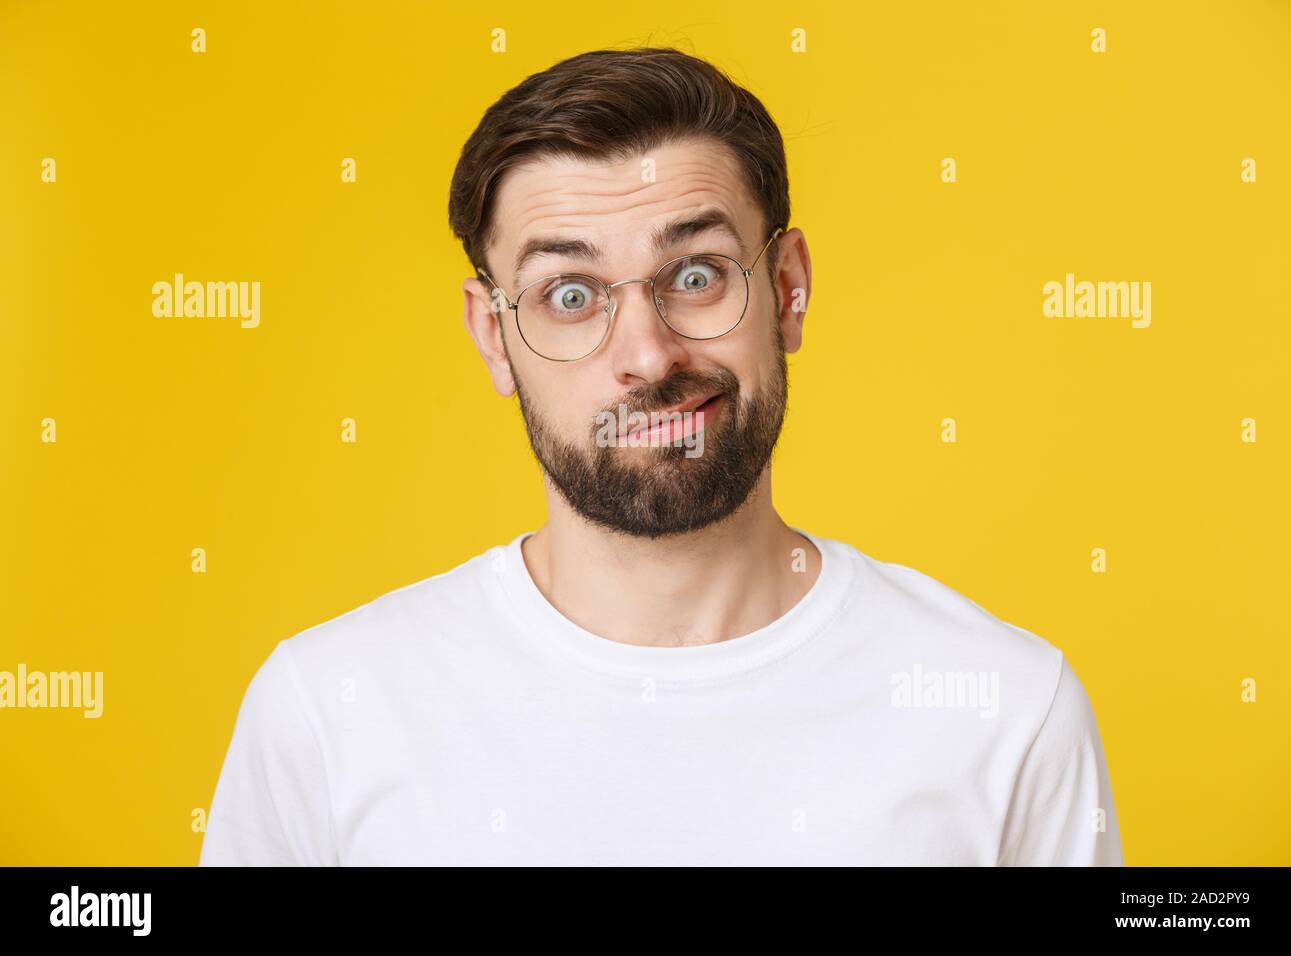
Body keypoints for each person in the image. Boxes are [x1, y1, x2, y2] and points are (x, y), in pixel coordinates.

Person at [199, 47, 1123, 866]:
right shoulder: (328, 713)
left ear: (788, 289)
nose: (646, 355)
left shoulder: (1005, 709)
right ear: (493, 338)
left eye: (696, 276)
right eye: (569, 294)